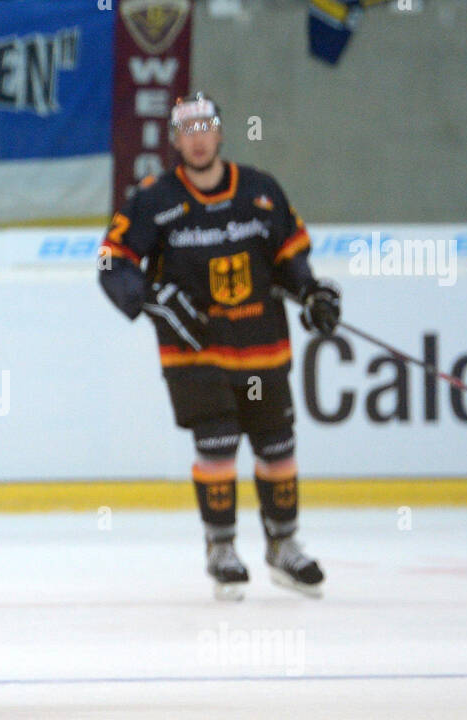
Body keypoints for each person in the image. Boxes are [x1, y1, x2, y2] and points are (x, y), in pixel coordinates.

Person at [97, 93, 340, 601]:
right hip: (195, 351)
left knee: (277, 446)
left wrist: (311, 293)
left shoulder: (260, 191)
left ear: (220, 132)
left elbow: (290, 259)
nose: (198, 138)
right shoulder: (154, 199)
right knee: (217, 443)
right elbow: (111, 261)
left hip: (261, 344)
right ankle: (222, 548)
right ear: (174, 139)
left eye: (205, 126)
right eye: (187, 129)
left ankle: (284, 545)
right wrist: (152, 299)